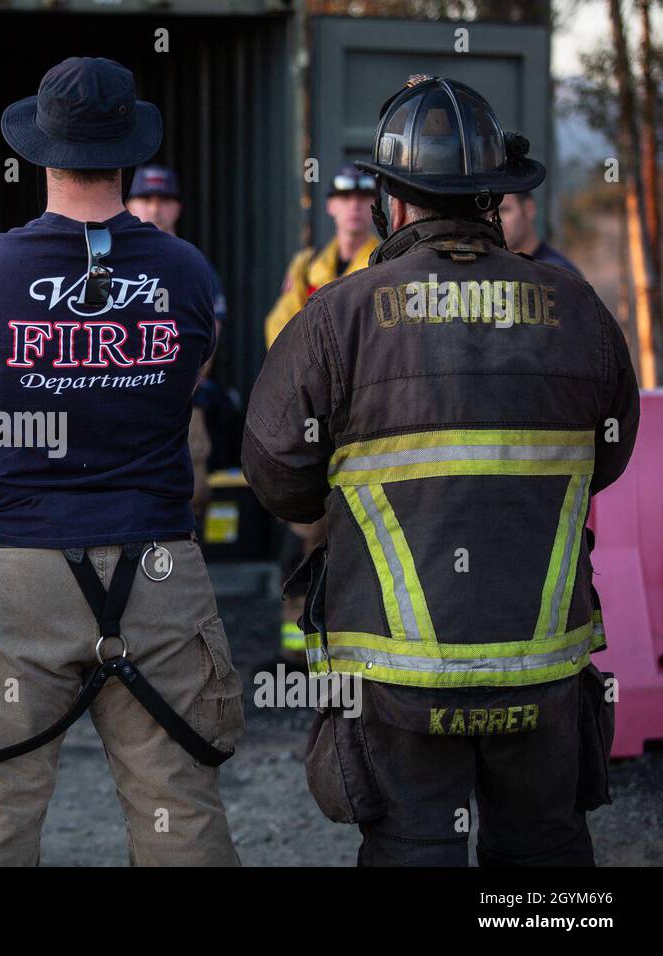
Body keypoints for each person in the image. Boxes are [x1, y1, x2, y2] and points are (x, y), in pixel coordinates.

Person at [242, 76, 639, 866]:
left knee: (413, 848)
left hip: (397, 676)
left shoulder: (337, 316)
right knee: (545, 852)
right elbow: (609, 456)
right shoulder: (578, 308)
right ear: (495, 196)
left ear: (390, 199)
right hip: (542, 666)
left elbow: (277, 475)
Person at [0, 57, 245, 866]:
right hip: (160, 572)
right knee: (182, 809)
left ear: (39, 153)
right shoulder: (185, 269)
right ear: (128, 153)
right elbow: (189, 380)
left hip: (18, 574)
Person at [263, 165, 379, 664]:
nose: (353, 207)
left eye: (362, 198)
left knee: (365, 542)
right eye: (343, 198)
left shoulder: (387, 263)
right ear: (330, 206)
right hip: (317, 426)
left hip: (366, 423)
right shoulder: (309, 265)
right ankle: (300, 653)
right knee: (306, 542)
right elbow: (279, 332)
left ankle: (358, 652)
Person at [125, 164, 227, 531]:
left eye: (164, 200)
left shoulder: (194, 267)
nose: (155, 208)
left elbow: (207, 348)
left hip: (182, 406)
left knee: (192, 495)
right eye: (146, 199)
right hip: (120, 404)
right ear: (128, 204)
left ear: (178, 208)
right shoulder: (106, 266)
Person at [498, 191, 582, 277]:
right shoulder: (491, 268)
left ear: (529, 209)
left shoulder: (560, 275)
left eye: (503, 210)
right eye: (489, 213)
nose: (494, 220)